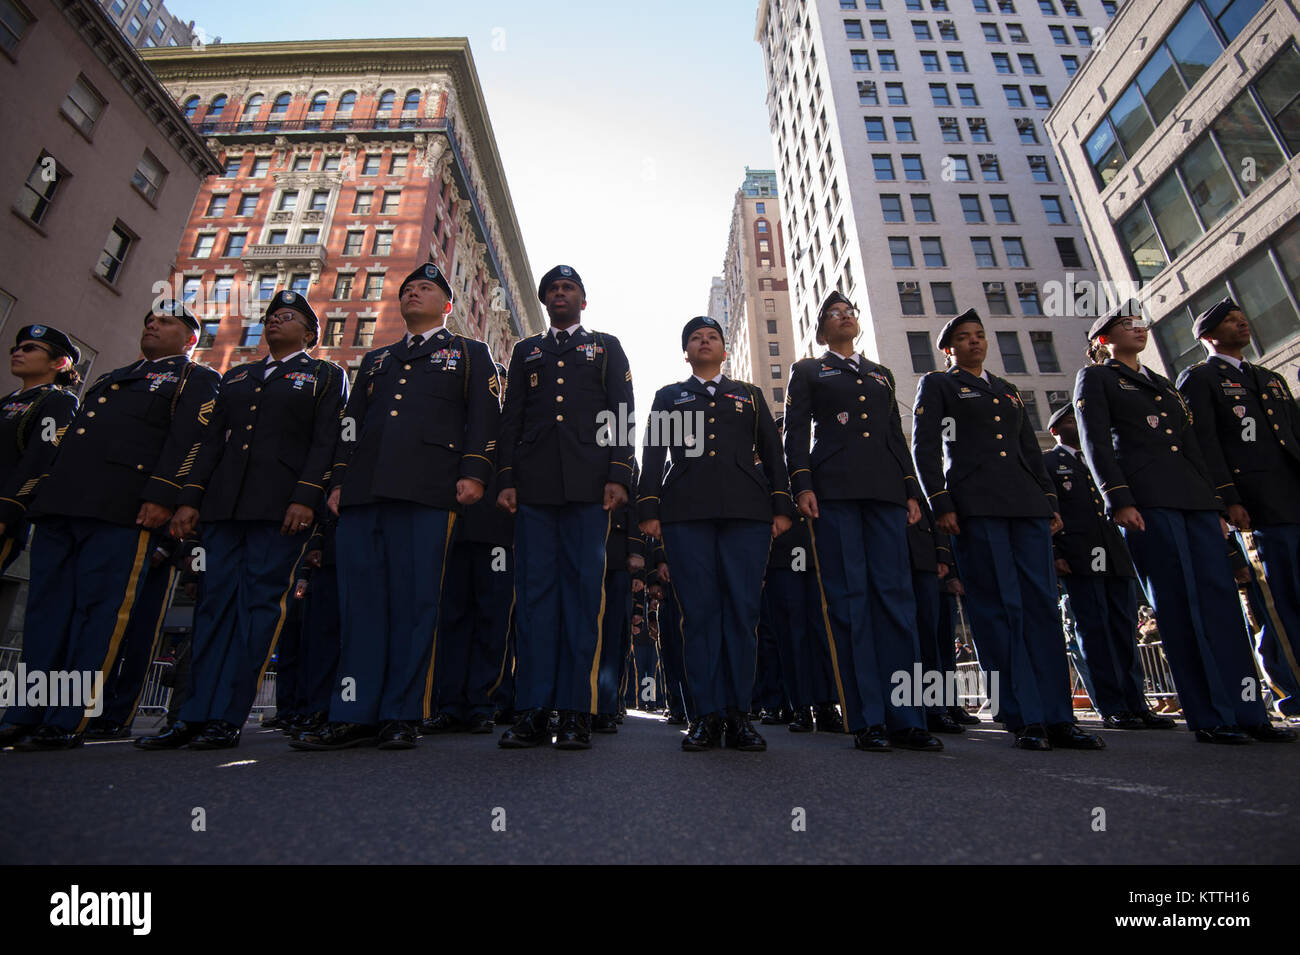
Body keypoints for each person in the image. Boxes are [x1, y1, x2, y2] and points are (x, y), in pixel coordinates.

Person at [292, 262, 498, 751]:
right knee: (360, 605)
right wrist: (339, 480)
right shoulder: (377, 359)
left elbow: (484, 418)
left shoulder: (470, 353)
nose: (413, 293)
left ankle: (403, 713)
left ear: (447, 305)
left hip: (428, 491)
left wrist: (473, 472)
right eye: (407, 289)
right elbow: (350, 425)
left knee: (415, 603)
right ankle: (352, 713)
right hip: (364, 492)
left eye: (425, 288)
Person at [1, 301, 220, 750]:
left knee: (97, 616)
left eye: (166, 322)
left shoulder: (194, 378)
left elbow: (191, 439)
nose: (152, 325)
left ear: (191, 338)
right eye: (149, 321)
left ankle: (67, 719)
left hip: (122, 509)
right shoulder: (111, 377)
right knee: (46, 615)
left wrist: (163, 493)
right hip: (64, 504)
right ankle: (24, 712)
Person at [1074, 299, 1293, 743]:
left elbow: (1194, 444)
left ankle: (1249, 712)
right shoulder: (1097, 378)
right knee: (1179, 606)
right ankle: (1211, 716)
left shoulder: (1164, 384)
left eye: (1141, 324)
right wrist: (1118, 499)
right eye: (1127, 325)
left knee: (1222, 606)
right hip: (1148, 502)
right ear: (1104, 339)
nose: (1139, 329)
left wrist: (1216, 504)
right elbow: (1095, 441)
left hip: (1195, 501)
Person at [137, 290, 346, 750]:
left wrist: (306, 498)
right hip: (224, 510)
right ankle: (190, 716)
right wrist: (191, 500)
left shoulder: (324, 376)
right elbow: (210, 443)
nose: (274, 322)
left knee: (257, 611)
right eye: (271, 316)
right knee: (212, 609)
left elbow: (326, 443)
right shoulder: (238, 376)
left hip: (279, 511)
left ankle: (226, 717)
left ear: (310, 333)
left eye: (287, 317)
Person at [912, 308, 1103, 751]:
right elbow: (924, 449)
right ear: (949, 349)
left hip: (1026, 507)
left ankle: (1058, 716)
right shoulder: (939, 385)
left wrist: (1049, 501)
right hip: (976, 507)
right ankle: (1020, 715)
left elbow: (1029, 452)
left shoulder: (1008, 391)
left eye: (979, 335)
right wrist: (940, 502)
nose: (975, 342)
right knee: (998, 610)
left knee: (1040, 608)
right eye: (964, 337)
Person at [786, 292, 941, 752]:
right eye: (835, 314)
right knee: (850, 600)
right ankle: (867, 716)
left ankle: (907, 717)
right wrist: (802, 484)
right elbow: (796, 430)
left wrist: (912, 491)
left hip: (886, 491)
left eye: (849, 312)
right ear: (821, 330)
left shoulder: (881, 374)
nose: (845, 316)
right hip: (834, 489)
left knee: (895, 601)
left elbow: (895, 434)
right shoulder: (809, 370)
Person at [495, 265, 635, 750]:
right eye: (552, 289)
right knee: (534, 599)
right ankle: (532, 709)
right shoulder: (525, 350)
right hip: (534, 487)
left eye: (568, 287)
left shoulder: (606, 346)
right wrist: (507, 478)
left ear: (583, 298)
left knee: (582, 599)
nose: (560, 293)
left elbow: (621, 411)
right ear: (544, 300)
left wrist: (619, 472)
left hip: (589, 487)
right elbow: (512, 417)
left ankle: (577, 709)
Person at [637, 315, 793, 752]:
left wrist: (782, 506)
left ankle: (739, 715)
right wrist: (649, 508)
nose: (704, 342)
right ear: (685, 351)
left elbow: (773, 454)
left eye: (712, 337)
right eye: (695, 338)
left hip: (748, 513)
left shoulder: (749, 395)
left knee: (742, 613)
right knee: (700, 614)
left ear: (725, 350)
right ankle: (705, 715)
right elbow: (653, 455)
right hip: (686, 514)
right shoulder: (670, 396)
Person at [1177, 297, 1300, 722]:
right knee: (1276, 603)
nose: (1242, 322)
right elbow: (1204, 443)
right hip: (1256, 506)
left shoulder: (1269, 378)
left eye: (1241, 317)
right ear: (1209, 336)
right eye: (1230, 321)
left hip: (1293, 498)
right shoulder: (1200, 378)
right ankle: (1292, 694)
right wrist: (1227, 498)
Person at [1044, 405, 1174, 730]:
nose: (1078, 424)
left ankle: (1137, 703)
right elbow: (1049, 511)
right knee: (1094, 631)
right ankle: (1113, 706)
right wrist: (1057, 552)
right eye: (1070, 421)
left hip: (1116, 553)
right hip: (1080, 556)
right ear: (1056, 430)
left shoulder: (1102, 459)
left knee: (1124, 630)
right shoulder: (1049, 462)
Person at [424, 362, 514, 736]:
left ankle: (483, 702)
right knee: (452, 618)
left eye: (500, 383)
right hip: (456, 530)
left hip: (498, 536)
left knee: (494, 619)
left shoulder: (514, 426)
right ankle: (448, 703)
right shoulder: (458, 421)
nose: (493, 389)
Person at [0, 325, 80, 574]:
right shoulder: (8, 401)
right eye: (16, 348)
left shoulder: (58, 401)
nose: (17, 353)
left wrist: (6, 511)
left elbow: (41, 459)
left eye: (29, 348)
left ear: (59, 362)